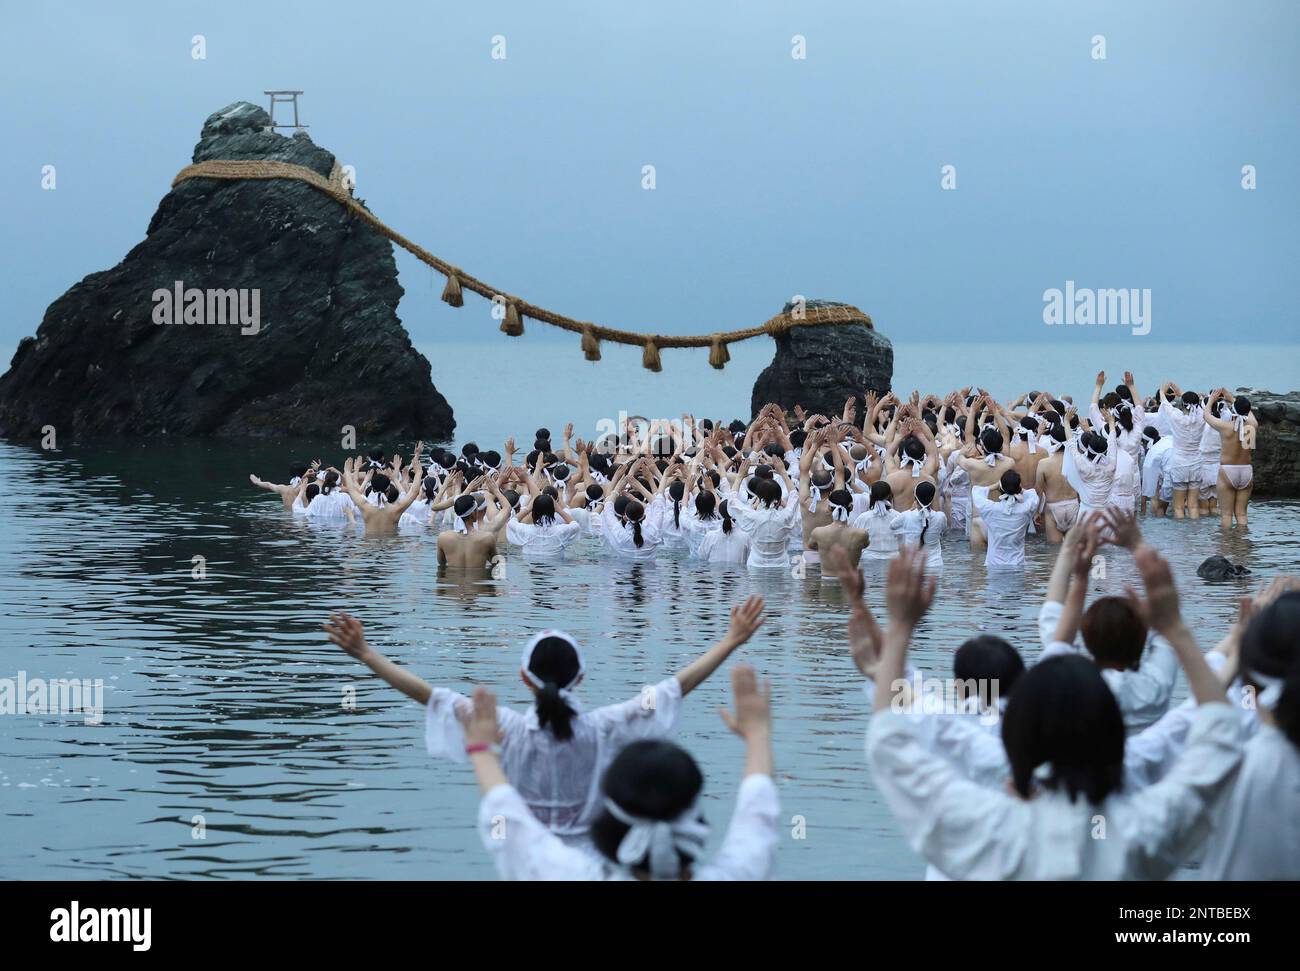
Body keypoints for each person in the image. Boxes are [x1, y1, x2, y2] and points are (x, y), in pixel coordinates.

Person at [862, 545, 1244, 880]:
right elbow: (1213, 729)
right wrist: (1174, 628)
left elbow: (891, 741)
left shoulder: (984, 830)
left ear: (1014, 735)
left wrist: (899, 627)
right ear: (1113, 731)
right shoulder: (1146, 830)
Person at [323, 596, 767, 843]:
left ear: (523, 678)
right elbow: (673, 687)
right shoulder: (604, 726)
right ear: (581, 677)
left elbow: (428, 694)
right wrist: (729, 641)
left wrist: (366, 654)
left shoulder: (501, 728)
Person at [464, 664, 779, 880]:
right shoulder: (736, 873)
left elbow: (509, 821)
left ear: (606, 827)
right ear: (696, 823)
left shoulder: (567, 874)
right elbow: (758, 819)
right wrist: (758, 736)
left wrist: (481, 749)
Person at [1203, 389, 1258, 527]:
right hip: (1247, 471)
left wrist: (1211, 400)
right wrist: (1233, 399)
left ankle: (1226, 546)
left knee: (1226, 514)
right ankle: (1242, 546)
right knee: (1241, 514)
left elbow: (1206, 415)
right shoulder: (1252, 426)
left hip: (1228, 471)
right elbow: (1248, 413)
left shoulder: (1225, 427)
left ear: (1233, 410)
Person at [970, 470, 1038, 569]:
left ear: (1001, 488)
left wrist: (995, 486)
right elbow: (1033, 495)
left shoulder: (991, 509)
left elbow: (976, 492)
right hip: (1017, 565)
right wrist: (1019, 489)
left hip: (994, 565)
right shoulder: (1025, 510)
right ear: (1018, 488)